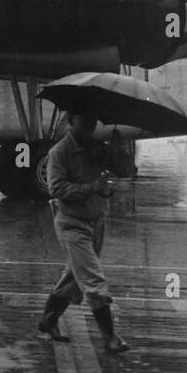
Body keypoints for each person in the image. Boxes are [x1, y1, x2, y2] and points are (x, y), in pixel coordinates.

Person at [37, 110, 129, 353]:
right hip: (72, 223)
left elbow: (125, 171)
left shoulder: (98, 147)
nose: (89, 122)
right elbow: (56, 188)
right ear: (70, 121)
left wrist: (118, 151)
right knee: (93, 280)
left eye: (92, 119)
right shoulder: (59, 152)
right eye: (83, 118)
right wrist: (91, 187)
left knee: (75, 276)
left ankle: (48, 319)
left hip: (97, 221)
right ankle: (110, 338)